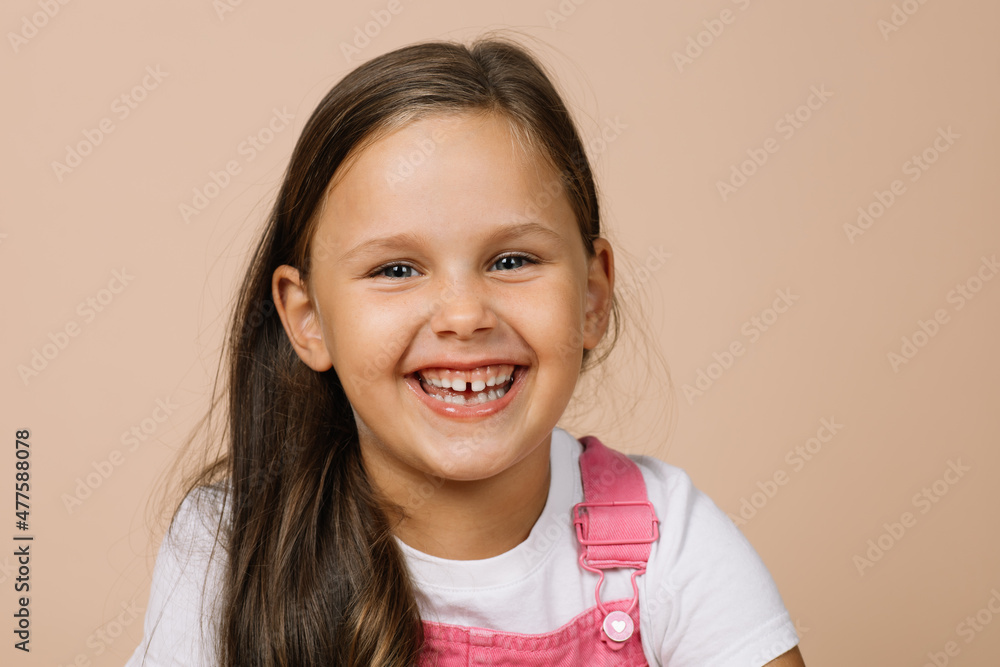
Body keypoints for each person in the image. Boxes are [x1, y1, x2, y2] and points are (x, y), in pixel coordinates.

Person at [125, 36, 805, 667]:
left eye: (511, 259)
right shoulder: (228, 547)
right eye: (395, 269)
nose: (463, 315)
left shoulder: (669, 542)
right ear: (309, 320)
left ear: (593, 296)